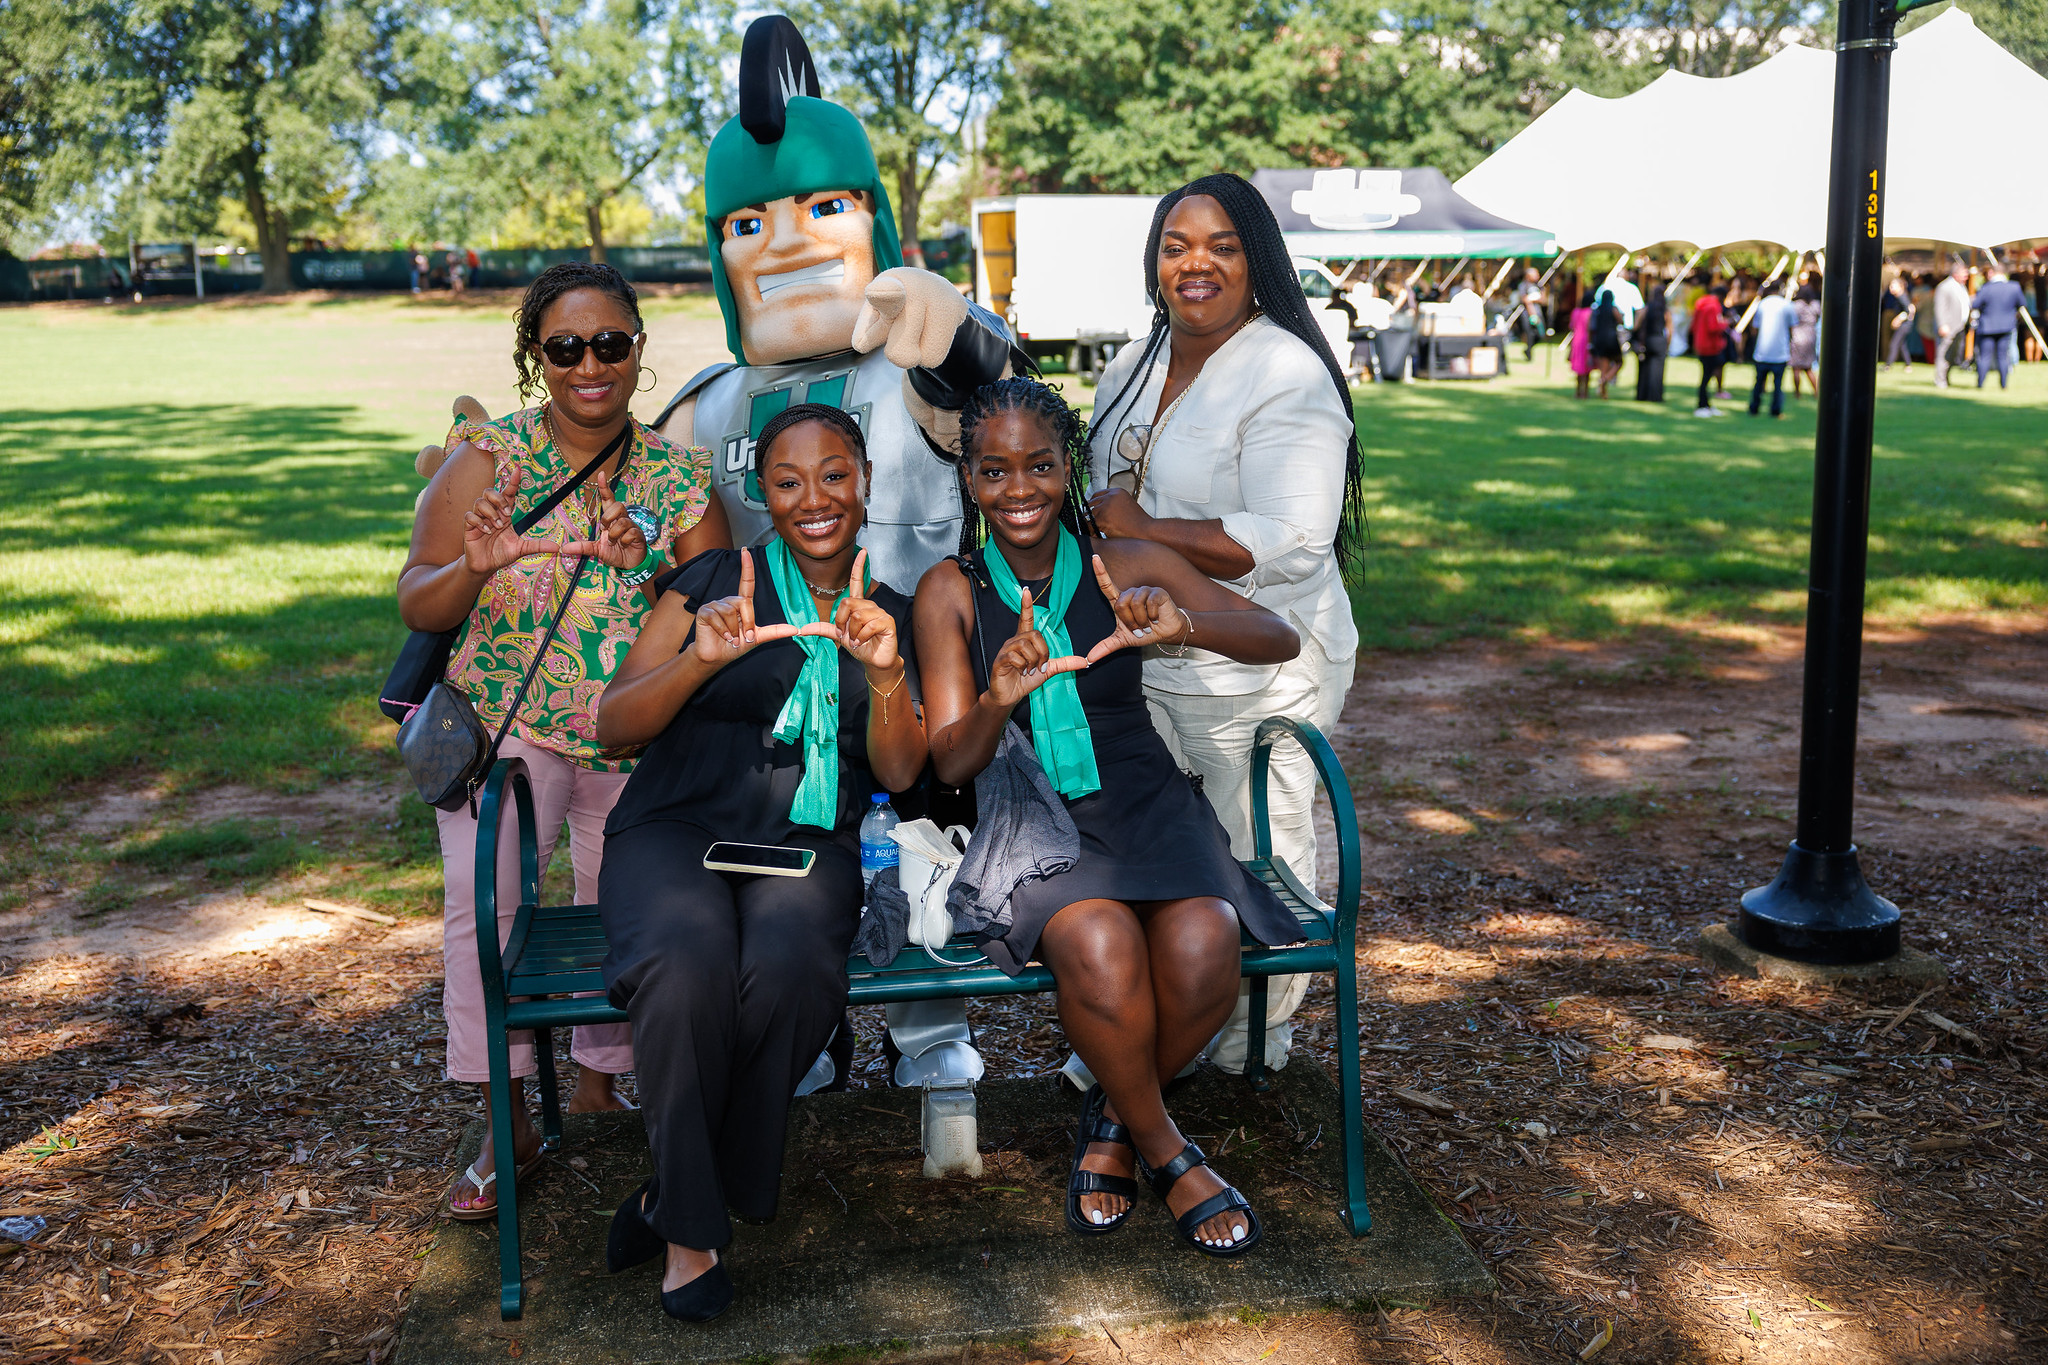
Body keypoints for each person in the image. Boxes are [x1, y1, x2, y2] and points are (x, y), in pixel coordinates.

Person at [916, 377, 1302, 1256]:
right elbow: (949, 761)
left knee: (1207, 943)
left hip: (1143, 791)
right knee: (1100, 945)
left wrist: (1185, 624)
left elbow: (1276, 633)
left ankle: (1120, 1113)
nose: (1020, 489)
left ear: (1068, 468)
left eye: (1041, 465)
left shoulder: (1120, 558)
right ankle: (1164, 1147)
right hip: (1029, 808)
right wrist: (994, 697)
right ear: (969, 478)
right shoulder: (950, 589)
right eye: (995, 469)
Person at [397, 262, 732, 1220]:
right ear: (534, 358)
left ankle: (597, 1079)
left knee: (622, 909)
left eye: (611, 344)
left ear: (638, 349)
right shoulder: (485, 461)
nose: (591, 364)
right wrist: (472, 565)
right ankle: (504, 1114)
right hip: (509, 725)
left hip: (634, 732)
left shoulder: (678, 476)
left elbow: (714, 604)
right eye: (566, 347)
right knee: (483, 903)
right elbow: (417, 594)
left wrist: (658, 563)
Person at [593, 404, 927, 1320]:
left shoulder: (891, 610)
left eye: (833, 476)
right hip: (674, 825)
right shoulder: (713, 577)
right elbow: (614, 723)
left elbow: (901, 770)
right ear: (762, 494)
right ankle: (692, 1239)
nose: (813, 498)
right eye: (788, 481)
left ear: (865, 484)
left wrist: (888, 671)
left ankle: (670, 1195)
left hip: (803, 842)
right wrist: (699, 662)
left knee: (787, 974)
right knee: (684, 963)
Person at [1083, 173, 1362, 1079]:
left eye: (1221, 246)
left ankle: (1248, 1040)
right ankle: (1150, 1024)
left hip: (1261, 664)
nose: (1194, 263)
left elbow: (1291, 536)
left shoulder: (1287, 370)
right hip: (1150, 661)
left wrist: (1144, 533)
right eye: (1175, 246)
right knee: (1155, 850)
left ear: (1257, 261)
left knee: (1258, 854)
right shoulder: (1128, 367)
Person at [1970, 266, 2025, 389]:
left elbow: (1975, 304)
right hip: (2006, 326)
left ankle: (1980, 383)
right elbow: (2022, 304)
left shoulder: (1986, 288)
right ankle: (2004, 384)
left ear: (1992, 273)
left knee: (1984, 356)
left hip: (1987, 326)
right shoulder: (2014, 287)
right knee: (2003, 355)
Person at [1748, 280, 1793, 418]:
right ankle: (1775, 410)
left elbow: (1754, 327)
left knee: (1759, 383)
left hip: (1762, 351)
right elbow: (1792, 326)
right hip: (1780, 352)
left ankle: (1754, 408)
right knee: (1778, 385)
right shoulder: (1786, 305)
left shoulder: (1762, 304)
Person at [1691, 284, 1730, 416]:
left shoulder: (1700, 304)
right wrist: (1725, 324)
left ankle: (1706, 404)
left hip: (1701, 343)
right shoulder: (1714, 306)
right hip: (1710, 346)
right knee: (1707, 376)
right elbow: (1713, 327)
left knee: (1707, 374)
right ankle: (1702, 405)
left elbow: (1694, 325)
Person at [1933, 262, 1971, 389]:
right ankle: (1940, 380)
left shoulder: (1961, 287)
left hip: (1959, 326)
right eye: (1964, 274)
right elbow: (1940, 307)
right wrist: (1942, 324)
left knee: (1952, 355)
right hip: (1948, 326)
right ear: (1955, 274)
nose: (1966, 276)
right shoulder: (1944, 287)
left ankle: (1946, 378)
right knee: (1943, 353)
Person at [1633, 284, 1668, 402]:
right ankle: (1655, 396)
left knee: (1644, 368)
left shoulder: (1646, 308)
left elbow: (1637, 324)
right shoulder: (1664, 310)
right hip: (1659, 340)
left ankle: (1642, 395)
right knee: (1658, 370)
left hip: (1647, 340)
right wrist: (1667, 343)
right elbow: (1670, 329)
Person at [1787, 284, 1821, 397]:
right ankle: (1816, 391)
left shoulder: (1796, 305)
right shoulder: (1815, 304)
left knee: (1796, 367)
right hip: (1811, 336)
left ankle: (1797, 393)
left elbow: (1790, 319)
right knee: (1808, 367)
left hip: (1798, 336)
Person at [1589, 288, 1623, 398]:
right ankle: (1605, 379)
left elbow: (1592, 326)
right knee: (1619, 362)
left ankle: (1604, 390)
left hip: (1600, 339)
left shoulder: (1597, 310)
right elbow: (1621, 321)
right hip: (1611, 338)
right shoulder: (1613, 309)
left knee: (1604, 365)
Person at [1882, 275, 1916, 370]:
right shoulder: (1899, 296)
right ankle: (1908, 365)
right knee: (1902, 345)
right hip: (1905, 324)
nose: (1890, 288)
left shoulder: (1902, 296)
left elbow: (1908, 310)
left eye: (1893, 286)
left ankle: (1888, 365)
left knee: (1894, 343)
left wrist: (1898, 319)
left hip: (1905, 325)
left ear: (1900, 286)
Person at [1515, 266, 1548, 361]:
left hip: (1538, 312)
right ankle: (1529, 353)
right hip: (1527, 314)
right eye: (1535, 274)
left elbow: (1543, 300)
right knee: (1529, 334)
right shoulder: (1523, 285)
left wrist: (1534, 299)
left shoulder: (1539, 285)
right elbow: (1525, 300)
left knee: (1540, 334)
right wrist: (1532, 314)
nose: (1537, 276)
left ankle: (1528, 349)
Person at [1568, 285, 1593, 400]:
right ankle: (1585, 392)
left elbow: (1572, 326)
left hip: (1576, 341)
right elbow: (1590, 328)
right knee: (1586, 369)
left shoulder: (1576, 312)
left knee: (1579, 369)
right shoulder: (1590, 312)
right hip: (1586, 340)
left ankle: (1578, 391)